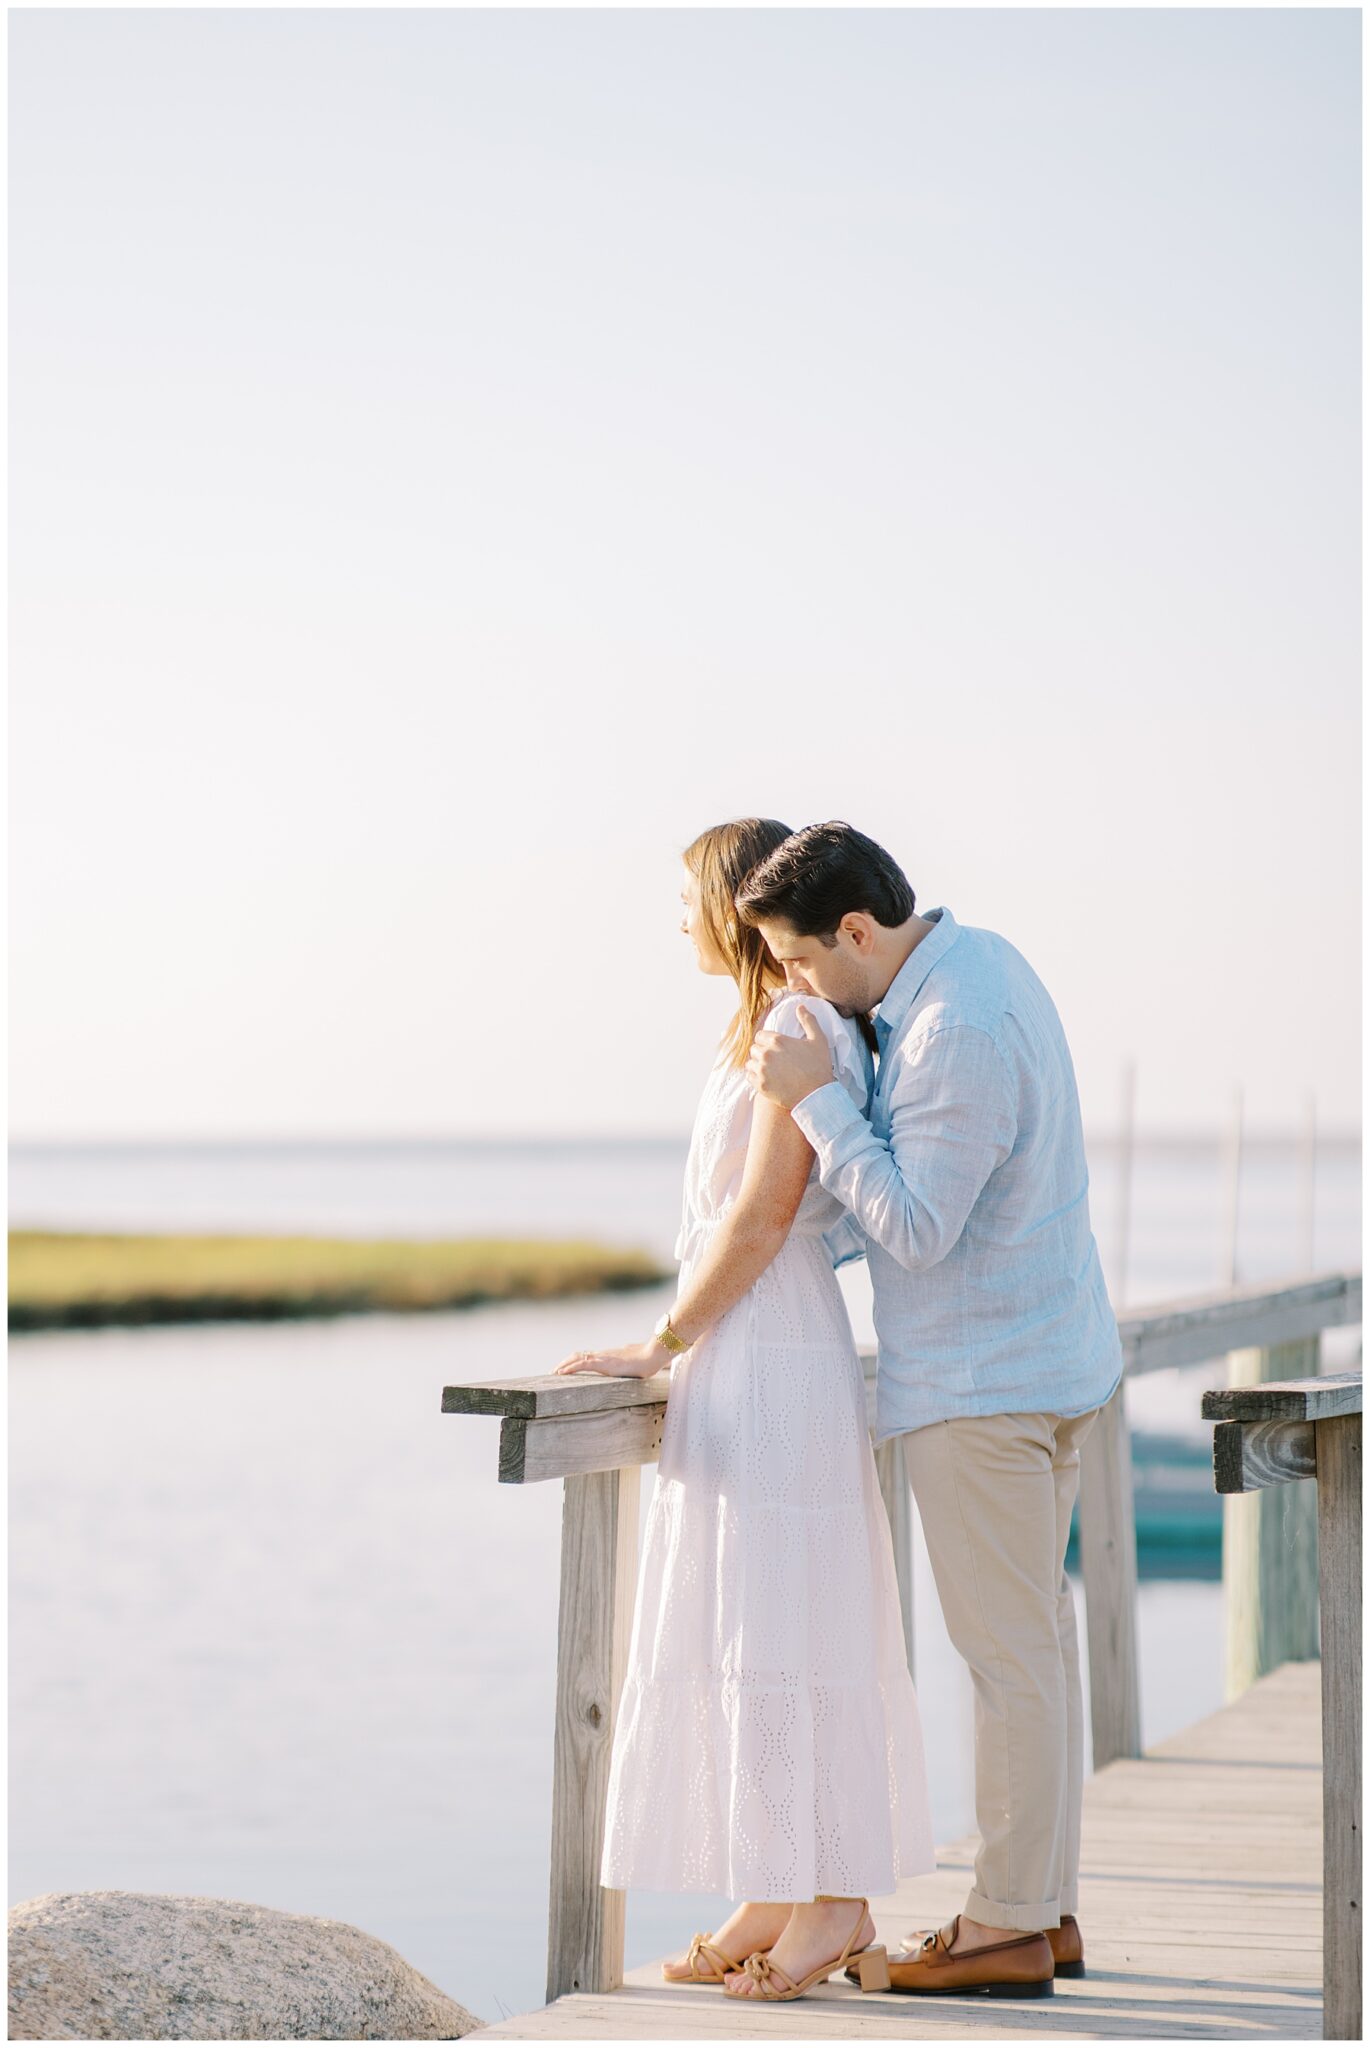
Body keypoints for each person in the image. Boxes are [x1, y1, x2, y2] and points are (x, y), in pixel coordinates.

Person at [739, 820, 1124, 1998]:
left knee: (1007, 1663)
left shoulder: (951, 1029)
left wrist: (816, 1105)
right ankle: (1041, 1908)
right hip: (1038, 1364)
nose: (797, 986)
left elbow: (914, 1225)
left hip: (982, 1389)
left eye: (799, 960)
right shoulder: (982, 963)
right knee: (1033, 1654)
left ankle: (1003, 1923)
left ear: (855, 930)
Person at [555, 816, 935, 2005]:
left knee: (787, 1620)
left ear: (729, 907)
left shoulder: (797, 1025)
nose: (676, 919)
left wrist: (659, 1341)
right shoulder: (759, 1027)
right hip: (742, 1345)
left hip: (768, 1344)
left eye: (687, 898)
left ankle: (835, 1897)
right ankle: (775, 1883)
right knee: (741, 1622)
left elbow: (765, 1213)